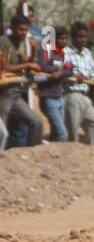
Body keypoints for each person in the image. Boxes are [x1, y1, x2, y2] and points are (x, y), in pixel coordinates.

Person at [0, 13, 43, 147]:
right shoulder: (3, 41)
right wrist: (28, 65)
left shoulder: (23, 43)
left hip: (16, 94)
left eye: (25, 30)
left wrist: (34, 50)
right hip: (4, 94)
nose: (23, 33)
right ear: (12, 28)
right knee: (2, 132)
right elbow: (4, 68)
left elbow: (26, 64)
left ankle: (32, 155)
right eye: (20, 29)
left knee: (36, 123)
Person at [63, 22, 94, 145]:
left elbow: (91, 75)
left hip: (85, 96)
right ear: (73, 37)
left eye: (84, 37)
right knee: (72, 133)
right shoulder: (65, 52)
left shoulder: (87, 53)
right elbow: (62, 71)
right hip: (71, 96)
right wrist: (72, 75)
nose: (83, 40)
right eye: (79, 37)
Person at [34, 26, 72, 142]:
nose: (64, 41)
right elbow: (42, 66)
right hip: (48, 96)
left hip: (59, 96)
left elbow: (70, 70)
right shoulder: (45, 50)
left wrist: (59, 72)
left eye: (66, 39)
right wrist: (59, 69)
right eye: (62, 39)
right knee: (62, 134)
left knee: (56, 133)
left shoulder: (64, 53)